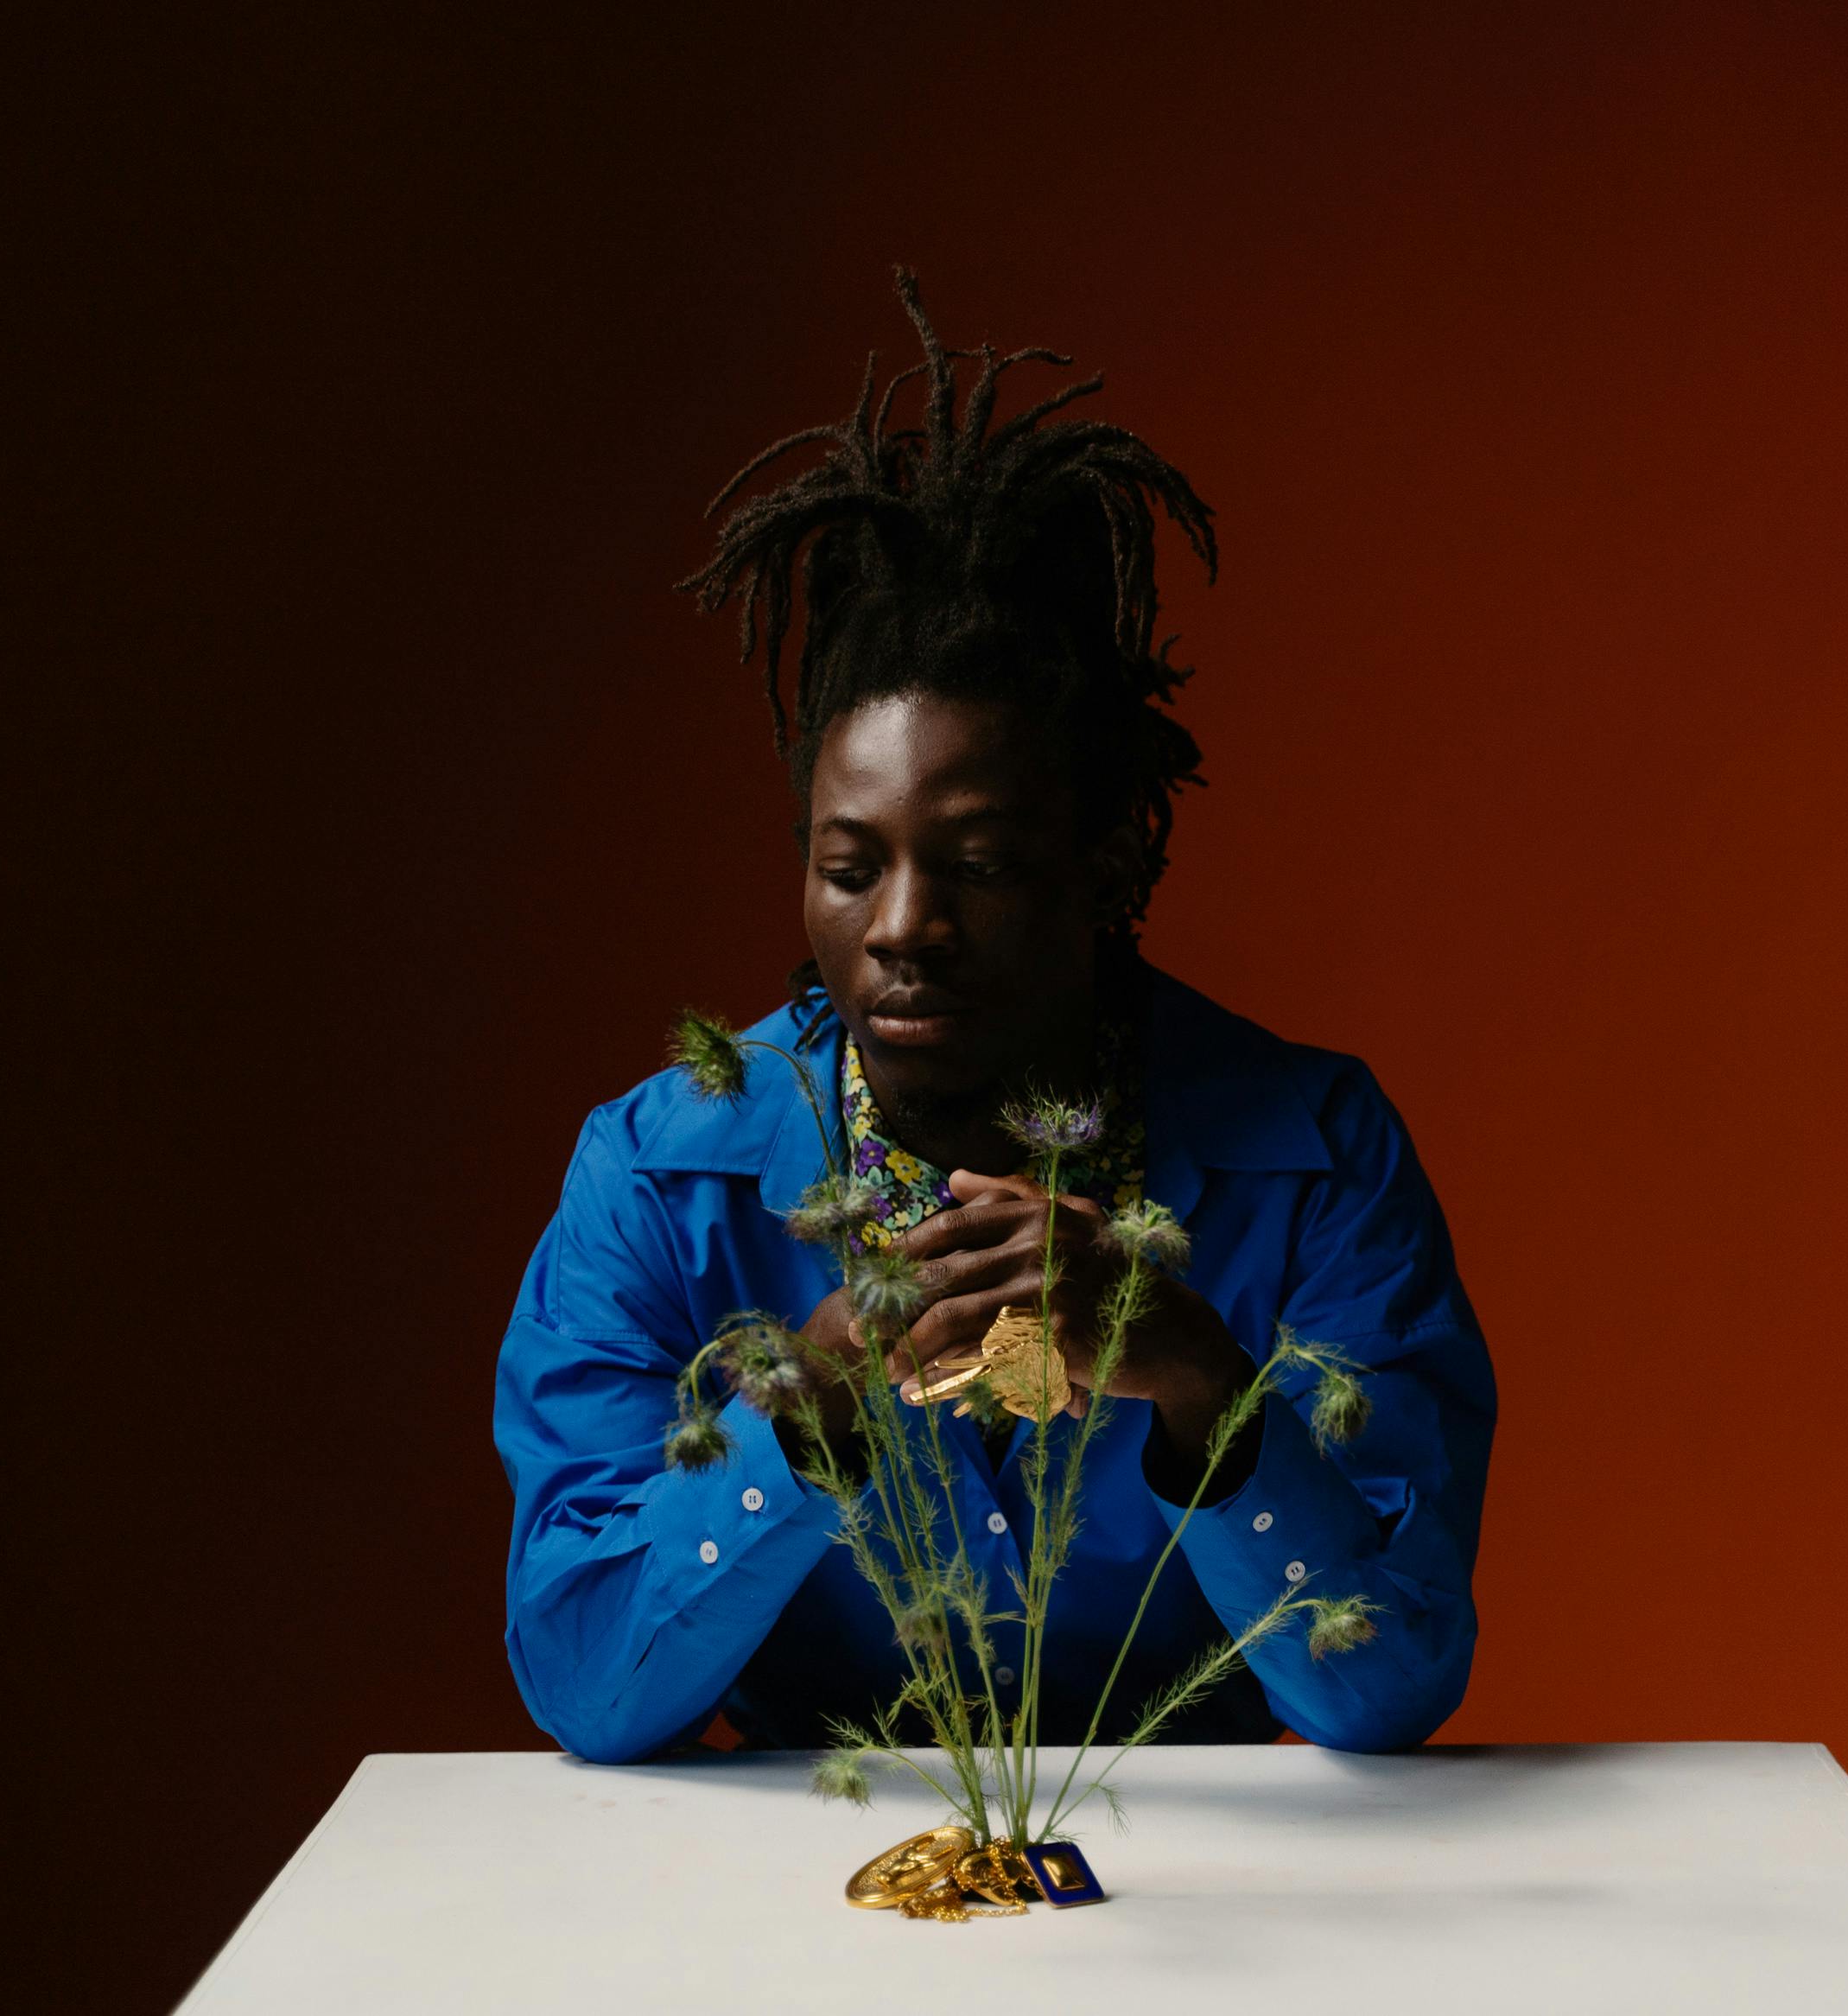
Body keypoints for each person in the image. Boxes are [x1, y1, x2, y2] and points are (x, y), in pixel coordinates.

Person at [493, 273, 1494, 1762]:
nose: (901, 927)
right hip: (785, 1923)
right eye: (851, 867)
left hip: (1229, 1920)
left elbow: (1391, 1681)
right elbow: (584, 1684)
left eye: (977, 865)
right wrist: (807, 1405)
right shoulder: (653, 1178)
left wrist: (1199, 1386)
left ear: (1110, 863)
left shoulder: (1318, 1159)